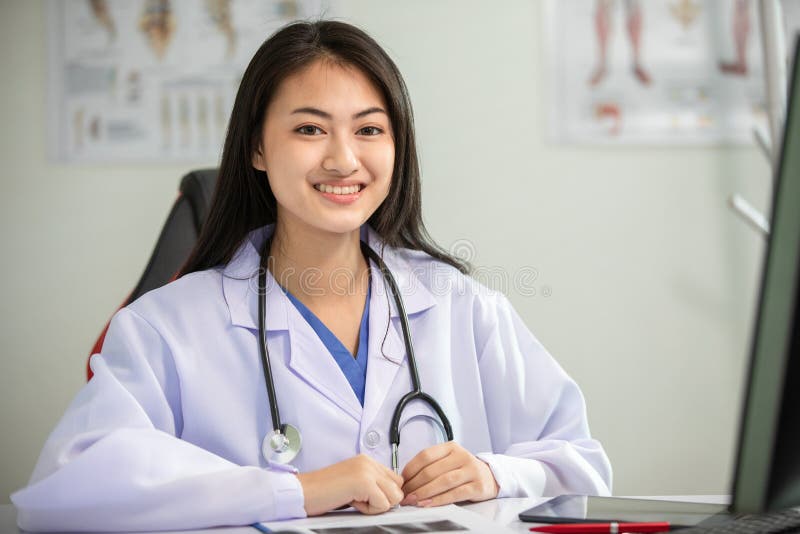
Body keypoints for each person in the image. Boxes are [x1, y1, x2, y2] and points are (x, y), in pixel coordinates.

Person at [12, 20, 612, 532]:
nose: (343, 158)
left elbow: (582, 463)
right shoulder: (167, 325)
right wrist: (297, 491)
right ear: (256, 149)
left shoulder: (461, 306)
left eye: (369, 129)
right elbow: (68, 488)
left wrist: (492, 473)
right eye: (309, 128)